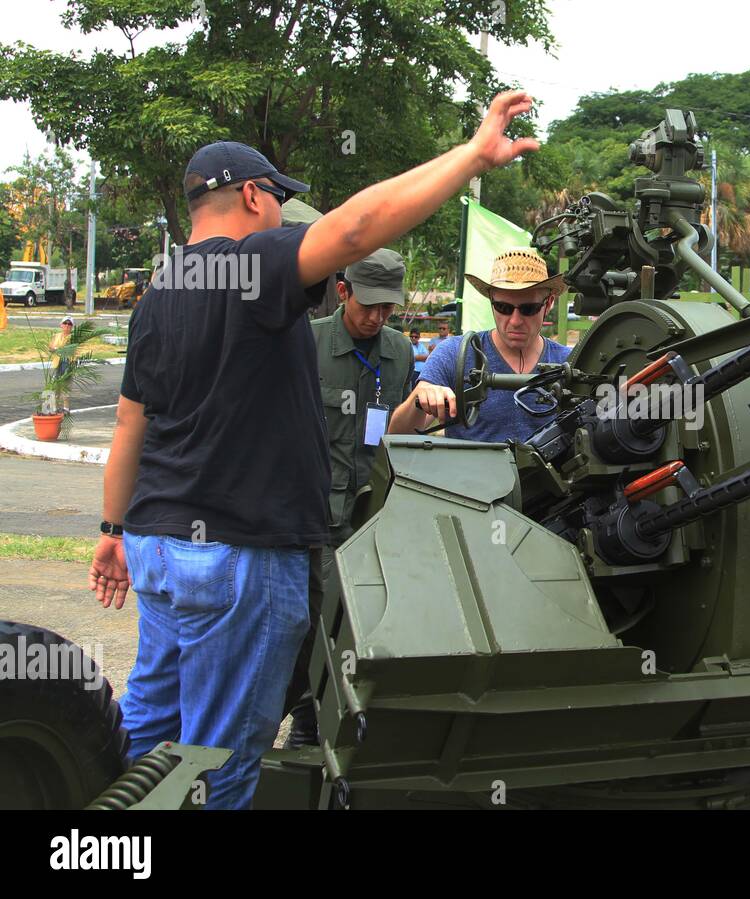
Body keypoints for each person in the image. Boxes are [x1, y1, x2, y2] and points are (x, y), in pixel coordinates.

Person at [87, 90, 539, 808]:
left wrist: (112, 533)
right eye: (279, 202)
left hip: (158, 545)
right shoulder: (254, 264)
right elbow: (357, 229)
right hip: (239, 555)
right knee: (218, 764)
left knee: (152, 742)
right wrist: (472, 155)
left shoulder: (157, 294)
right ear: (255, 196)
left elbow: (129, 428)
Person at [282, 248, 414, 747]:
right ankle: (307, 719)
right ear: (342, 292)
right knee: (313, 625)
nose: (378, 317)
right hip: (315, 517)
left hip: (375, 515)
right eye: (369, 306)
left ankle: (359, 719)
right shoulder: (306, 343)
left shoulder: (399, 352)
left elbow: (398, 434)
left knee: (370, 624)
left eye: (387, 308)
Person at [389, 248, 569, 441]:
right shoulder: (455, 354)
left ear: (548, 303)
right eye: (503, 307)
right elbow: (398, 435)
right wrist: (420, 398)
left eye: (528, 309)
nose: (515, 321)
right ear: (491, 301)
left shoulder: (569, 362)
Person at [48, 316, 75, 412]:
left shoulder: (73, 337)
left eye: (69, 324)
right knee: (55, 386)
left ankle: (66, 408)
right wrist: (56, 349)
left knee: (66, 387)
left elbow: (70, 349)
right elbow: (50, 347)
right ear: (61, 325)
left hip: (68, 363)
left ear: (72, 326)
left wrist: (58, 349)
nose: (67, 325)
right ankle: (54, 408)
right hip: (57, 363)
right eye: (65, 323)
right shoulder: (56, 336)